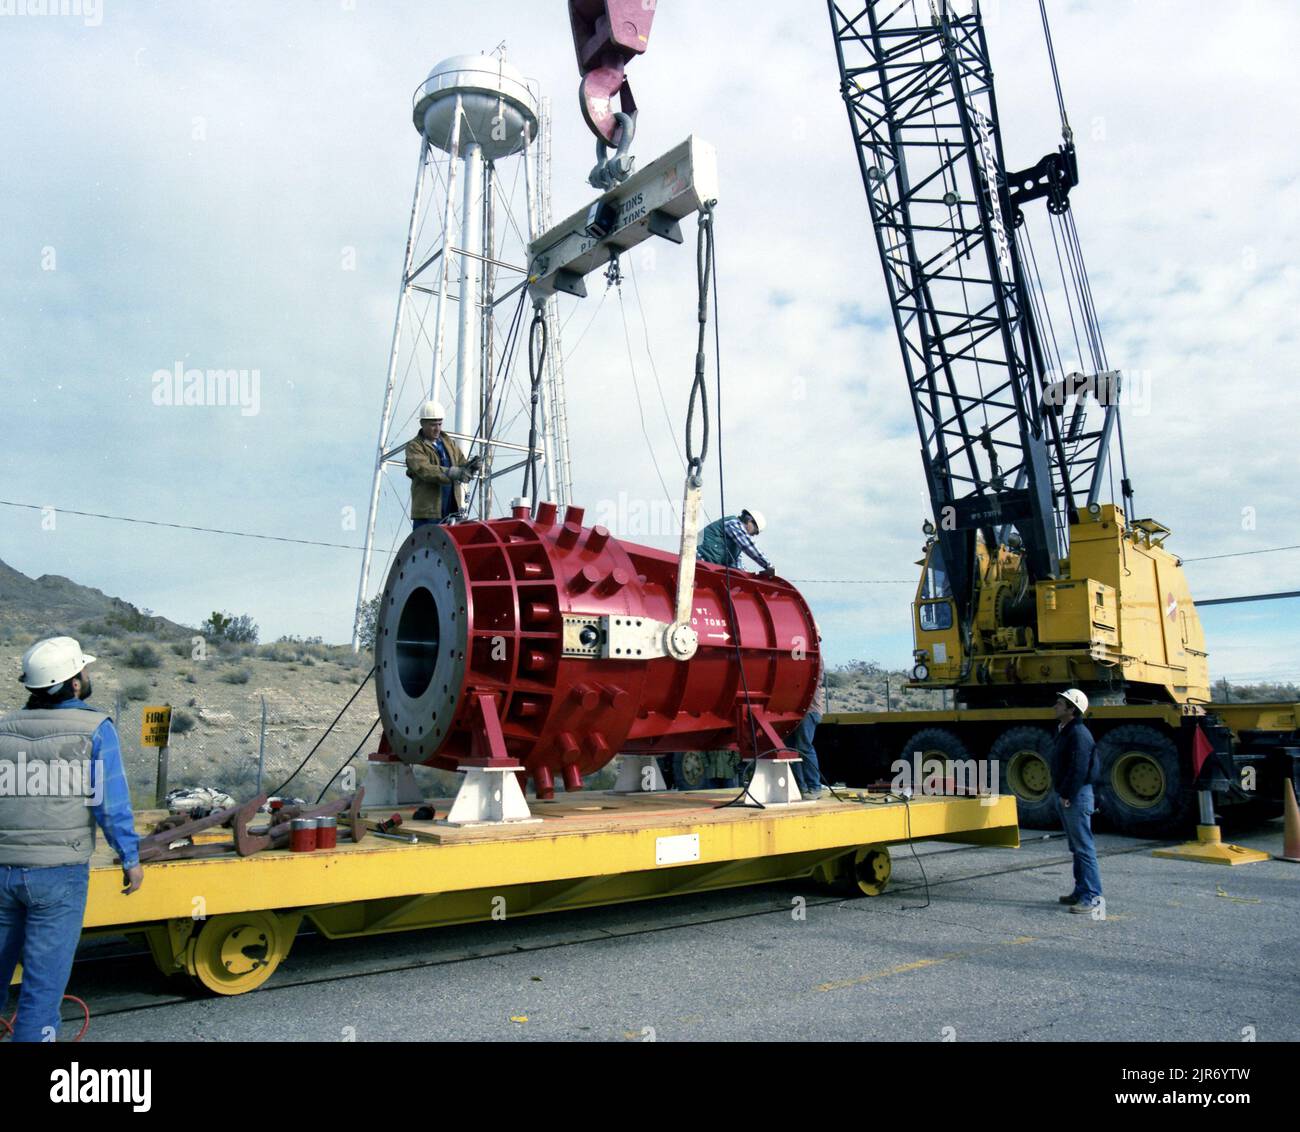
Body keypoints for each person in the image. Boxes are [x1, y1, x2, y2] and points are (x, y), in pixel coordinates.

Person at [0, 636, 143, 1041]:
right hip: (58, 877)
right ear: (74, 684)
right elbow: (110, 804)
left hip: (1, 872)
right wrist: (130, 859)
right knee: (41, 992)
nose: (86, 674)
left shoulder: (3, 728)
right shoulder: (94, 729)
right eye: (83, 670)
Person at [1051, 688, 1103, 914]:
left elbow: (1079, 768)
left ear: (1072, 709)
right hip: (1070, 794)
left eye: (1060, 703)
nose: (1056, 705)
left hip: (1076, 795)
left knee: (1084, 848)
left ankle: (1092, 897)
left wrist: (1067, 795)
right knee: (1077, 848)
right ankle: (1080, 890)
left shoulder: (1078, 734)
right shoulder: (1066, 730)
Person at [405, 399, 481, 530]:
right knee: (428, 546)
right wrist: (453, 472)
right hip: (428, 512)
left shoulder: (448, 443)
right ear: (422, 423)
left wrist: (470, 466)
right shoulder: (414, 447)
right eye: (433, 425)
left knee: (450, 547)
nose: (437, 429)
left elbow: (461, 463)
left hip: (452, 508)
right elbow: (425, 470)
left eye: (440, 424)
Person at [697, 508, 774, 577]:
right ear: (749, 521)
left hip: (704, 565)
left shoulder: (735, 548)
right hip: (696, 556)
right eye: (755, 531)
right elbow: (748, 545)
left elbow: (737, 566)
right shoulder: (733, 523)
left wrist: (750, 578)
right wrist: (768, 565)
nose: (754, 535)